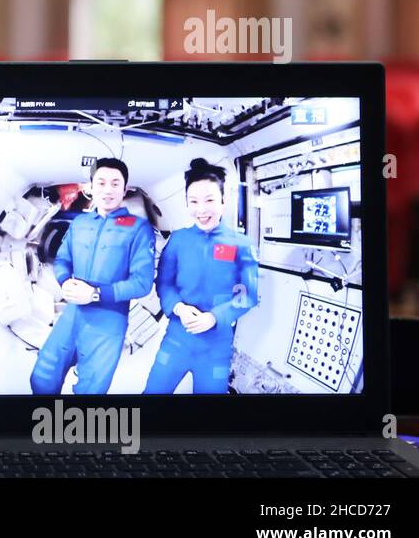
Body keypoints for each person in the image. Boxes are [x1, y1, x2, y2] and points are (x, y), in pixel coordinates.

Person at [30, 157, 155, 395]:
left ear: (125, 189)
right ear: (90, 187)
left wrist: (96, 294)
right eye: (101, 183)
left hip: (109, 321)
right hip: (73, 313)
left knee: (91, 392)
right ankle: (48, 429)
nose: (108, 190)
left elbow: (142, 283)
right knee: (42, 379)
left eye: (115, 183)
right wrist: (65, 280)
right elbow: (63, 260)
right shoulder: (80, 223)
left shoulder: (139, 228)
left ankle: (77, 432)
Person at [144, 158, 259, 394]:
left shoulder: (241, 245)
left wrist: (215, 317)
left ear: (223, 201)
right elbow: (164, 283)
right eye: (193, 201)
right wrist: (179, 308)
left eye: (209, 200)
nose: (201, 209)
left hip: (216, 347)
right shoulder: (178, 240)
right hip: (177, 339)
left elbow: (247, 295)